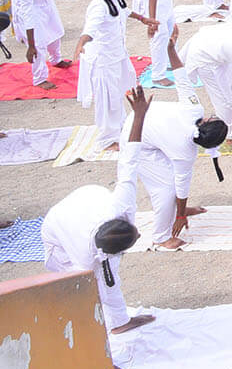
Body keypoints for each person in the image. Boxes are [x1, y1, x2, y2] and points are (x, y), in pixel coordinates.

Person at [41, 87, 155, 343]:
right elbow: (99, 278)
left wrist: (138, 116)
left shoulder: (122, 205)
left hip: (86, 200)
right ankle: (104, 325)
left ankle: (119, 323)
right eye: (136, 237)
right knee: (81, 286)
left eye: (134, 231)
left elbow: (129, 159)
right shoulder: (85, 255)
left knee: (106, 278)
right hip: (57, 226)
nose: (139, 231)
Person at [76, 0, 159, 150]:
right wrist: (81, 43)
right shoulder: (99, 6)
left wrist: (144, 19)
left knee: (121, 92)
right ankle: (107, 140)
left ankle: (120, 128)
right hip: (103, 60)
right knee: (107, 100)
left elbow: (125, 11)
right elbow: (90, 29)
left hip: (117, 54)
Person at [133, 95, 229, 249]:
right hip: (136, 135)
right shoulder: (185, 150)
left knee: (172, 183)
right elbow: (180, 187)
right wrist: (180, 216)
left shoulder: (195, 114)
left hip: (144, 125)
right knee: (165, 189)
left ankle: (178, 209)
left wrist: (182, 212)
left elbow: (182, 186)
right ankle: (161, 237)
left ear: (205, 122)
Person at [11, 0, 66, 89]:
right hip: (31, 9)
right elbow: (28, 17)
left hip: (46, 3)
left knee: (56, 31)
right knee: (38, 43)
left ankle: (56, 59)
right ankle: (39, 78)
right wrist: (31, 46)